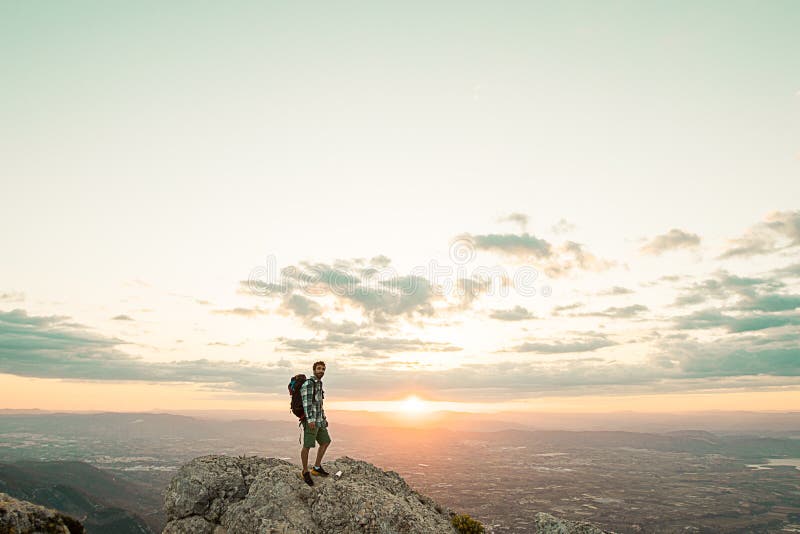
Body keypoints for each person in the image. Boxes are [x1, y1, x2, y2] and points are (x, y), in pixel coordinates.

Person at [299, 360, 332, 486]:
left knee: (325, 442)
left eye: (323, 369)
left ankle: (316, 468)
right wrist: (310, 419)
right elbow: (306, 403)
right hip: (311, 421)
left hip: (319, 420)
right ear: (314, 370)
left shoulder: (319, 384)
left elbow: (319, 404)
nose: (321, 371)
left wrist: (324, 418)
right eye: (319, 368)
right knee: (307, 446)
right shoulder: (309, 384)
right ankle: (305, 471)